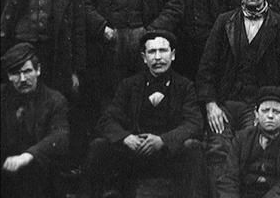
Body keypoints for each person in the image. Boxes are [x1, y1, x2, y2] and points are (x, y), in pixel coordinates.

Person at [196, 0, 280, 197]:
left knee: (253, 151)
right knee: (217, 148)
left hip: (259, 105)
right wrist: (211, 104)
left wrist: (271, 107)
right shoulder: (225, 22)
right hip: (226, 103)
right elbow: (207, 68)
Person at [84, 30, 203, 198]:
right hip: (135, 155)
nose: (158, 57)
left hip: (167, 157)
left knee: (193, 147)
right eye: (152, 52)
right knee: (99, 146)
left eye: (163, 51)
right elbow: (107, 119)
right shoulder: (129, 85)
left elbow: (194, 123)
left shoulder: (185, 86)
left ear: (173, 55)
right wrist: (126, 138)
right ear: (144, 58)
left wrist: (163, 140)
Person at [1, 42, 69, 198]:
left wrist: (28, 156)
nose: (23, 79)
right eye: (16, 73)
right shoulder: (3, 96)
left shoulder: (55, 100)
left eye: (27, 71)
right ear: (9, 76)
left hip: (39, 174)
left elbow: (60, 137)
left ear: (38, 70)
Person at [218, 85, 280, 198]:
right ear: (256, 113)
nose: (270, 116)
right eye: (265, 110)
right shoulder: (242, 139)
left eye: (276, 112)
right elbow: (229, 177)